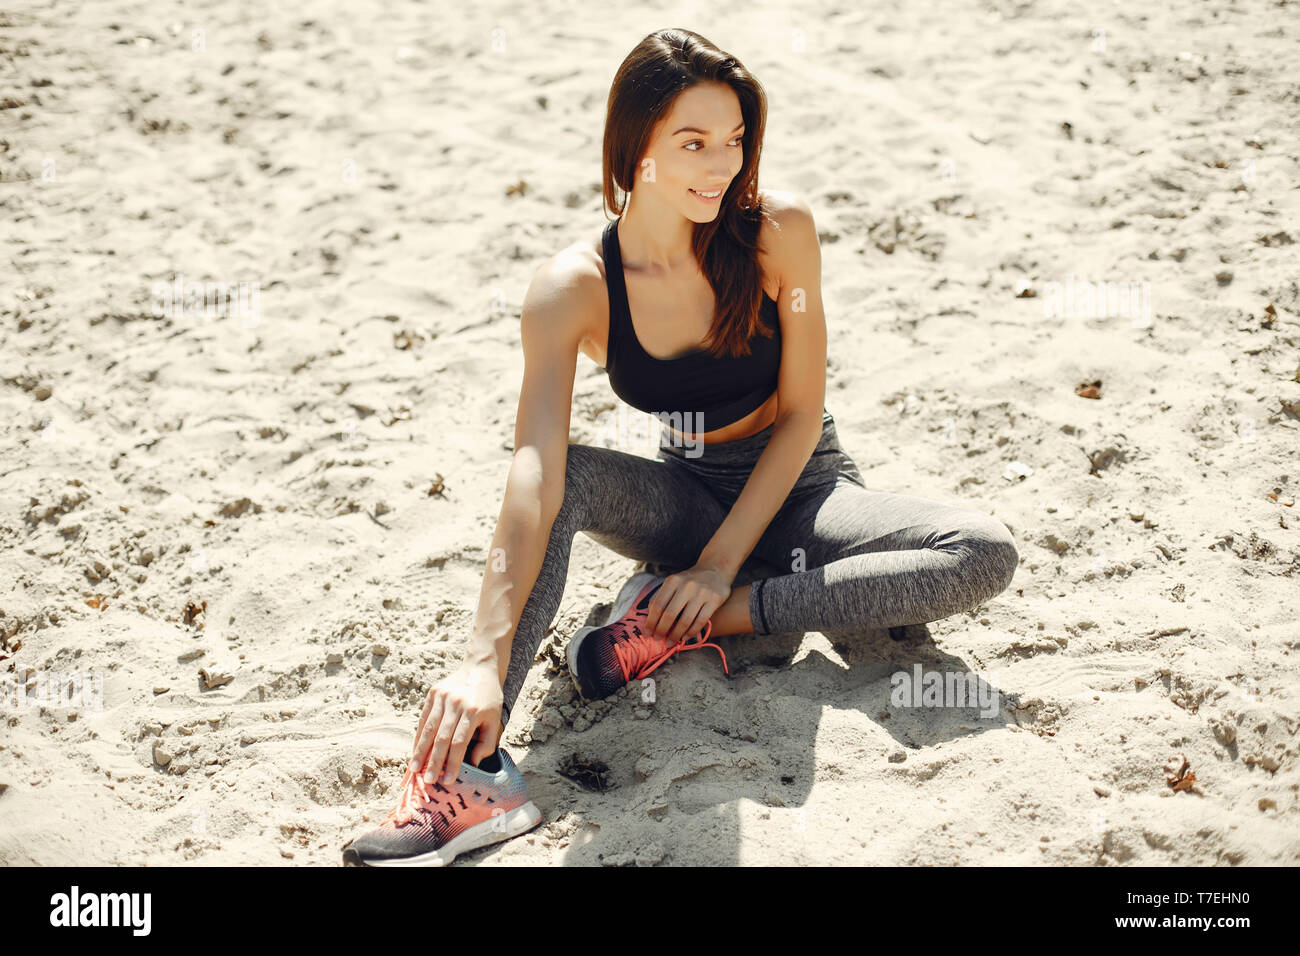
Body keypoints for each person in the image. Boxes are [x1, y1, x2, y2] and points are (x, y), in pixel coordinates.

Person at [340, 27, 1019, 867]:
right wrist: (481, 660)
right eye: (692, 143)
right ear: (636, 149)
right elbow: (534, 471)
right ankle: (477, 779)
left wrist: (717, 574)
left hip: (806, 493)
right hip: (686, 501)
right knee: (574, 478)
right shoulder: (573, 290)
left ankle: (691, 623)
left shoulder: (778, 232)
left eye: (733, 142)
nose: (719, 167)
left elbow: (802, 414)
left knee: (981, 551)